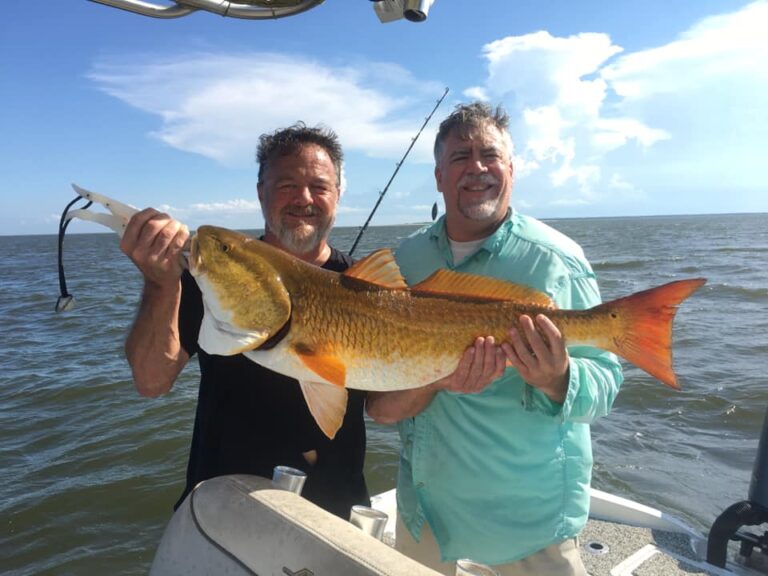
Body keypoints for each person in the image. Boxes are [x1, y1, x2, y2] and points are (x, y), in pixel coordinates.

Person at [366, 102, 624, 576]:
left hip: (526, 526)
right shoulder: (407, 259)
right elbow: (384, 380)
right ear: (439, 177)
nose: (477, 167)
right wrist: (432, 380)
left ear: (511, 170)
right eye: (460, 157)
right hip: (426, 517)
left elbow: (606, 383)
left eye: (490, 155)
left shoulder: (557, 260)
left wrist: (557, 378)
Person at [119, 122, 370, 518]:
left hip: (334, 507)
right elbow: (151, 381)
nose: (303, 198)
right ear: (260, 192)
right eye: (286, 184)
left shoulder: (367, 287)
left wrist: (450, 372)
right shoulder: (212, 277)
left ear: (338, 194)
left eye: (319, 186)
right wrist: (159, 284)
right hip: (224, 504)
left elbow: (387, 407)